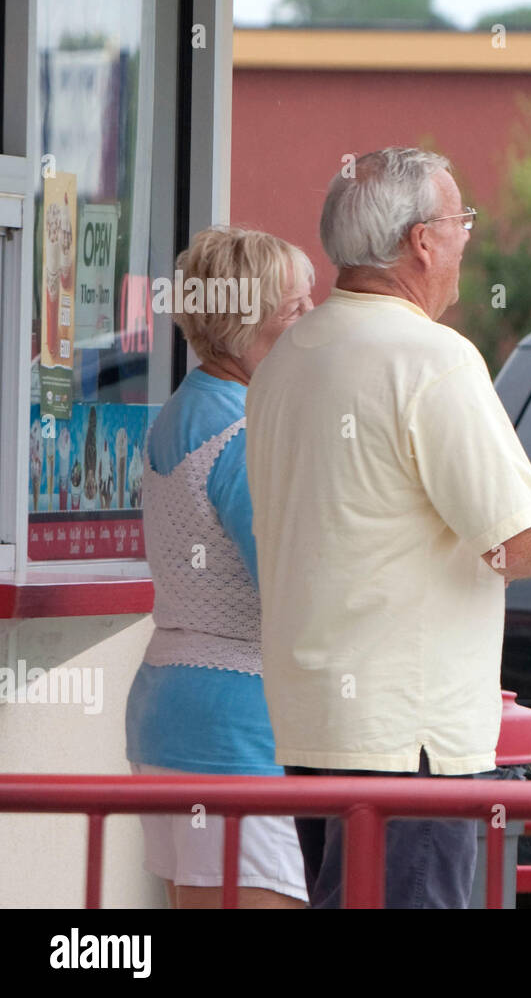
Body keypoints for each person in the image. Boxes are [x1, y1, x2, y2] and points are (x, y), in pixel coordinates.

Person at [245, 147, 531, 909]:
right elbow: (516, 540)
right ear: (421, 242)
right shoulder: (433, 359)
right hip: (409, 736)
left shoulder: (286, 359)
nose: (468, 237)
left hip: (313, 721)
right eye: (459, 220)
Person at [125, 226, 315, 908]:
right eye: (297, 308)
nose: (311, 322)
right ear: (249, 321)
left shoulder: (184, 411)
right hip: (238, 734)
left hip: (168, 716)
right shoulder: (247, 437)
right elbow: (298, 595)